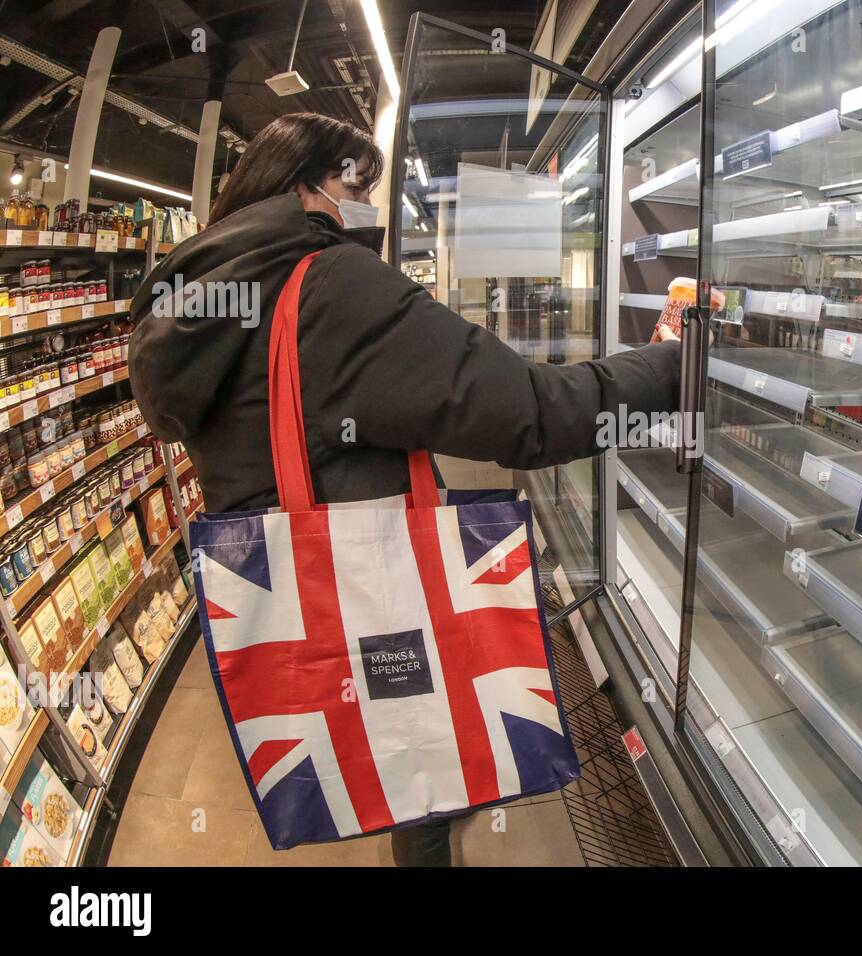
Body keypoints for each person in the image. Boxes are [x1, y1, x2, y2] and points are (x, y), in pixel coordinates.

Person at [128, 112, 681, 866]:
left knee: (391, 743)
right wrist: (672, 364)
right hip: (380, 592)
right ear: (308, 186)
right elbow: (534, 416)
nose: (367, 205)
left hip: (298, 594)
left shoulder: (207, 296)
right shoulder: (330, 285)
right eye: (359, 185)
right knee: (426, 746)